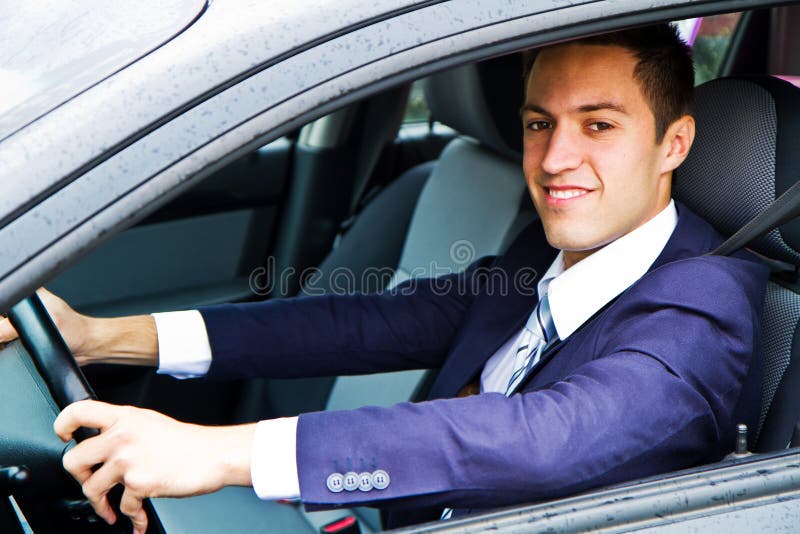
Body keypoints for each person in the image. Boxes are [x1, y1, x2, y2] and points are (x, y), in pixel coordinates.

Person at [0, 24, 770, 534]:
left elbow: (542, 438)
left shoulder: (703, 306)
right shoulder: (551, 251)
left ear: (674, 144)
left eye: (598, 126)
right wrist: (102, 337)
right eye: (540, 124)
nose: (555, 159)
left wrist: (224, 453)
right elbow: (361, 323)